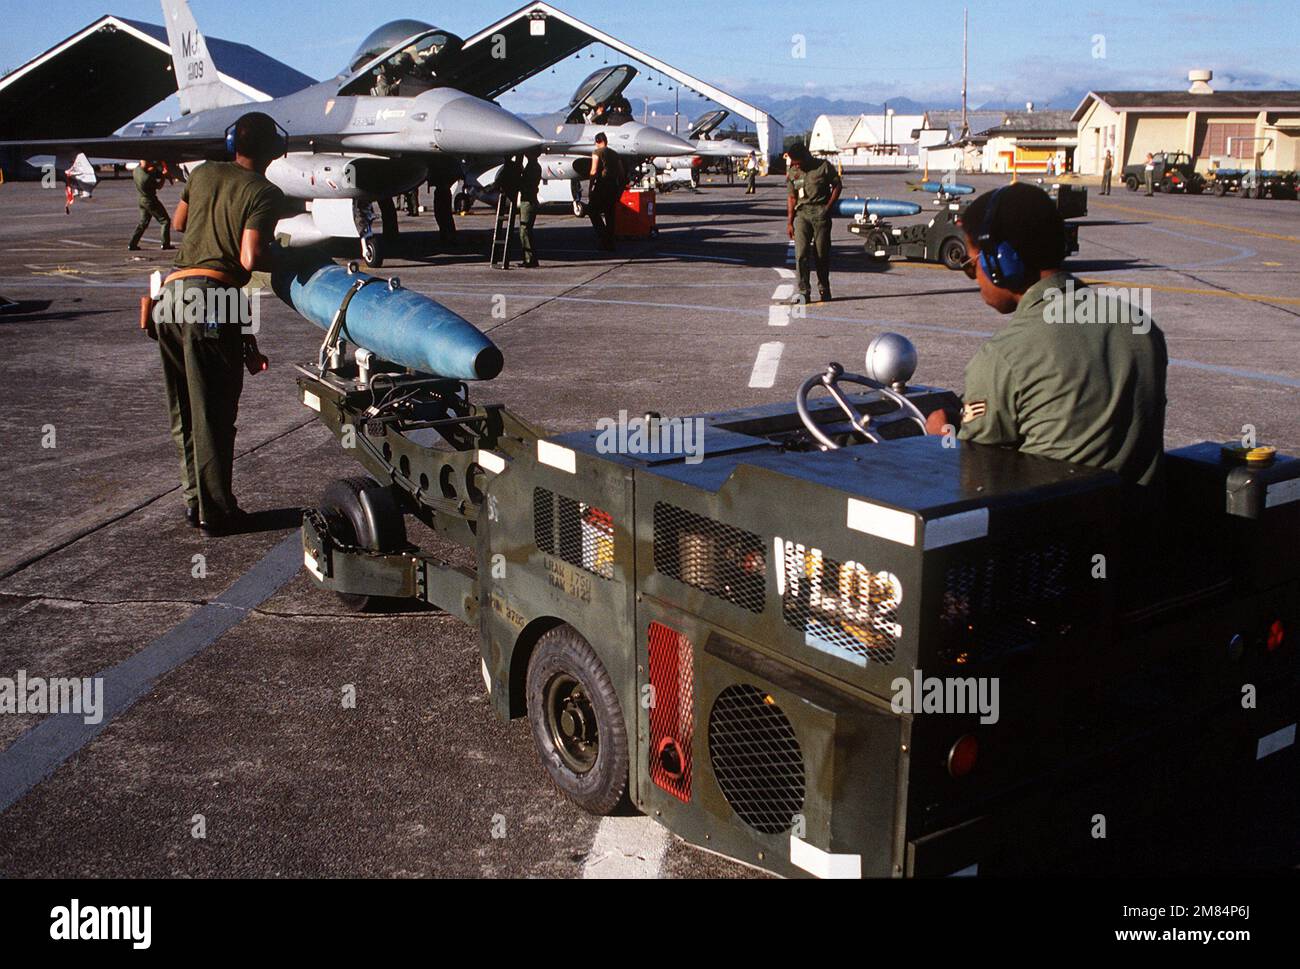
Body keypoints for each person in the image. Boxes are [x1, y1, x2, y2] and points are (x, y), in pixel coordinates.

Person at [924, 183, 1168, 495]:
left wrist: (941, 437)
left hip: (1047, 533)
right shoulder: (1141, 327)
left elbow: (974, 482)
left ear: (1001, 261)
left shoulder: (1005, 356)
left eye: (972, 266)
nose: (976, 279)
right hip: (1136, 527)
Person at [159, 111, 285, 535]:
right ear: (273, 149)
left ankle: (194, 499)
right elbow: (249, 259)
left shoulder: (204, 173)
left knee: (185, 410)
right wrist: (285, 257)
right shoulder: (265, 192)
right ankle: (216, 512)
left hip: (170, 298)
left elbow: (177, 223)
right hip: (214, 301)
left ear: (234, 143)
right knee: (214, 411)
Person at [784, 140, 841, 304]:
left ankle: (824, 287)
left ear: (805, 157)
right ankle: (803, 292)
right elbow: (791, 197)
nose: (795, 165)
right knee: (801, 254)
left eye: (797, 161)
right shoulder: (793, 171)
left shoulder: (823, 166)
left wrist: (828, 207)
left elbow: (837, 185)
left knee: (821, 254)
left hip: (820, 213)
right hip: (802, 214)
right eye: (793, 162)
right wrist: (789, 222)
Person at [588, 132, 625, 252]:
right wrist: (619, 189)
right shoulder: (615, 154)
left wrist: (590, 188)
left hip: (601, 186)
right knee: (610, 216)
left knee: (592, 211)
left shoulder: (597, 152)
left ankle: (603, 238)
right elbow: (621, 173)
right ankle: (610, 243)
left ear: (597, 141)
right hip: (612, 187)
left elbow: (593, 171)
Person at [129, 160, 172, 251]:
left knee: (143, 223)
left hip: (141, 200)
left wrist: (153, 168)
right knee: (165, 221)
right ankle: (165, 243)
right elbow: (159, 186)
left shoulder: (136, 171)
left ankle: (132, 244)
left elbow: (145, 168)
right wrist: (163, 176)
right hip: (150, 200)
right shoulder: (146, 178)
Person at [517, 152, 543, 267]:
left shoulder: (532, 167)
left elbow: (526, 184)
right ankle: (530, 259)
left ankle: (529, 259)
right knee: (527, 230)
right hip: (530, 200)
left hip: (528, 201)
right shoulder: (533, 166)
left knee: (524, 230)